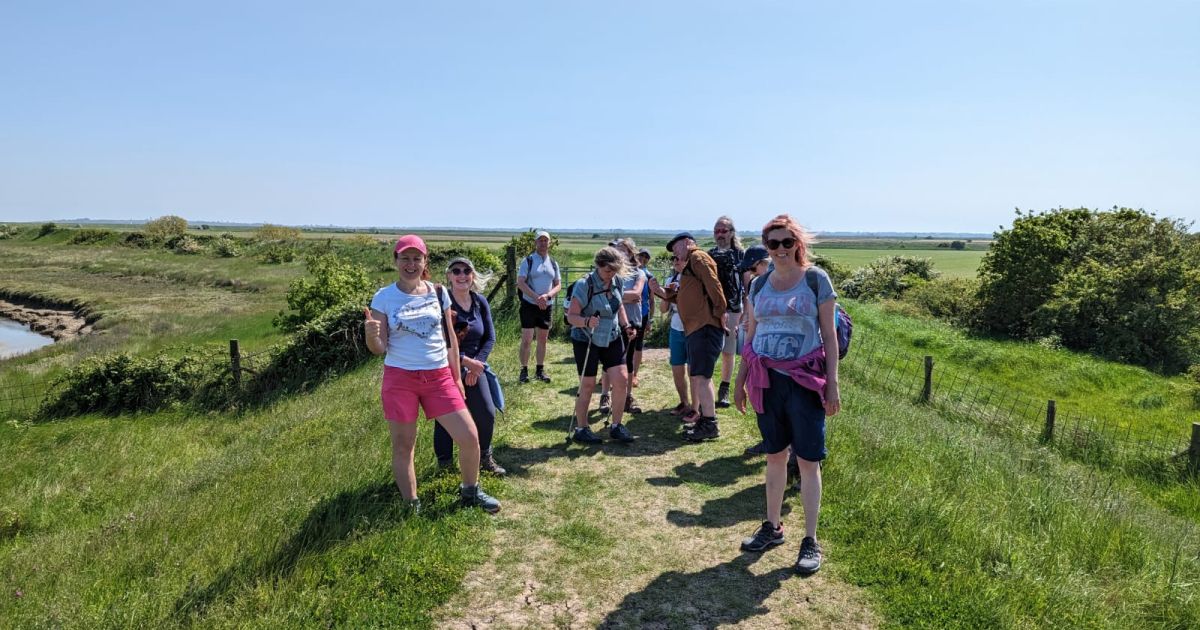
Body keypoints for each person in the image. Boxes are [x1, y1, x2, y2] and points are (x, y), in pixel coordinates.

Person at [733, 215, 841, 575]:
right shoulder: (759, 284)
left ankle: (810, 540)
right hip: (766, 381)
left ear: (798, 244)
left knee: (808, 462)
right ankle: (773, 526)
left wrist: (833, 384)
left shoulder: (815, 279)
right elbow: (751, 336)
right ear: (766, 247)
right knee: (774, 455)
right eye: (772, 243)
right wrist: (740, 380)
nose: (779, 249)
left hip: (805, 382)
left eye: (786, 242)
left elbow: (829, 337)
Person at [364, 235, 500, 514]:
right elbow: (378, 349)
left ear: (425, 261)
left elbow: (450, 340)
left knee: (469, 436)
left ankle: (470, 492)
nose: (411, 264)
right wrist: (371, 335)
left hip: (439, 377)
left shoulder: (438, 293)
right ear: (396, 261)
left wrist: (456, 378)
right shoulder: (384, 297)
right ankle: (411, 504)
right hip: (400, 379)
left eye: (417, 258)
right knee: (404, 445)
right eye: (405, 258)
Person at [649, 232, 727, 442]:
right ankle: (707, 420)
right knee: (701, 376)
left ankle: (709, 423)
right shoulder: (690, 265)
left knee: (701, 377)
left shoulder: (697, 257)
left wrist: (720, 313)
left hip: (704, 326)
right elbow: (682, 296)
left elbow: (714, 285)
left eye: (676, 248)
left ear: (687, 243)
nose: (675, 254)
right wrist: (659, 291)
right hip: (697, 327)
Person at [433, 257, 506, 476]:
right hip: (447, 367)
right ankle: (445, 467)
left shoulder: (479, 302)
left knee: (486, 413)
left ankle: (484, 458)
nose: (462, 275)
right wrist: (466, 362)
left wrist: (477, 365)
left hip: (476, 367)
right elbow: (440, 341)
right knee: (446, 417)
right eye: (456, 271)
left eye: (466, 271)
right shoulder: (441, 303)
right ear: (449, 276)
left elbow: (490, 337)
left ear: (473, 276)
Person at [565, 246, 639, 444]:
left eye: (615, 271)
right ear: (598, 265)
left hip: (612, 336)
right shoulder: (584, 285)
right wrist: (586, 321)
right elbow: (571, 316)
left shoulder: (617, 281)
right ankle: (581, 428)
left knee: (622, 379)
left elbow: (619, 305)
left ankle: (617, 426)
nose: (611, 275)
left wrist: (626, 325)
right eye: (608, 270)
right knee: (588, 384)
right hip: (586, 338)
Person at [653, 252, 698, 422]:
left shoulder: (695, 280)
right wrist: (666, 294)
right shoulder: (670, 280)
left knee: (693, 370)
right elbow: (663, 309)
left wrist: (675, 294)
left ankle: (696, 407)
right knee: (677, 368)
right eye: (674, 258)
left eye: (680, 258)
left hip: (693, 328)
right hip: (676, 327)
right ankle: (684, 402)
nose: (676, 261)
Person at [736, 244, 771, 455]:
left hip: (788, 360)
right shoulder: (758, 285)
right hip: (760, 354)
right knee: (763, 400)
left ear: (763, 263)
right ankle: (770, 441)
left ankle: (793, 454)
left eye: (752, 268)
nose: (751, 273)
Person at [516, 230, 561, 384]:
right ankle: (524, 371)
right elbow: (520, 282)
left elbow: (558, 285)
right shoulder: (528, 261)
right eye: (540, 240)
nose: (543, 243)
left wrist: (547, 296)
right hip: (529, 304)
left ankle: (540, 370)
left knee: (543, 339)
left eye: (545, 240)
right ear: (535, 243)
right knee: (527, 339)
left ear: (549, 243)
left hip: (546, 306)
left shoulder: (553, 263)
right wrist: (536, 297)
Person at [710, 216, 745, 409]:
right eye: (717, 231)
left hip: (733, 309)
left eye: (723, 231)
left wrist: (746, 312)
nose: (720, 234)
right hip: (711, 308)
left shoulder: (741, 255)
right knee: (709, 350)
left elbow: (747, 285)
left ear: (731, 233)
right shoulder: (709, 255)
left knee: (728, 352)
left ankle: (724, 388)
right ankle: (705, 389)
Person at [630, 248, 656, 390]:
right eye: (641, 255)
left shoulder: (649, 276)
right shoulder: (629, 272)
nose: (643, 258)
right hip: (628, 312)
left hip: (643, 313)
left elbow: (651, 300)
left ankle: (634, 374)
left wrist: (650, 320)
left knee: (638, 344)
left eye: (646, 257)